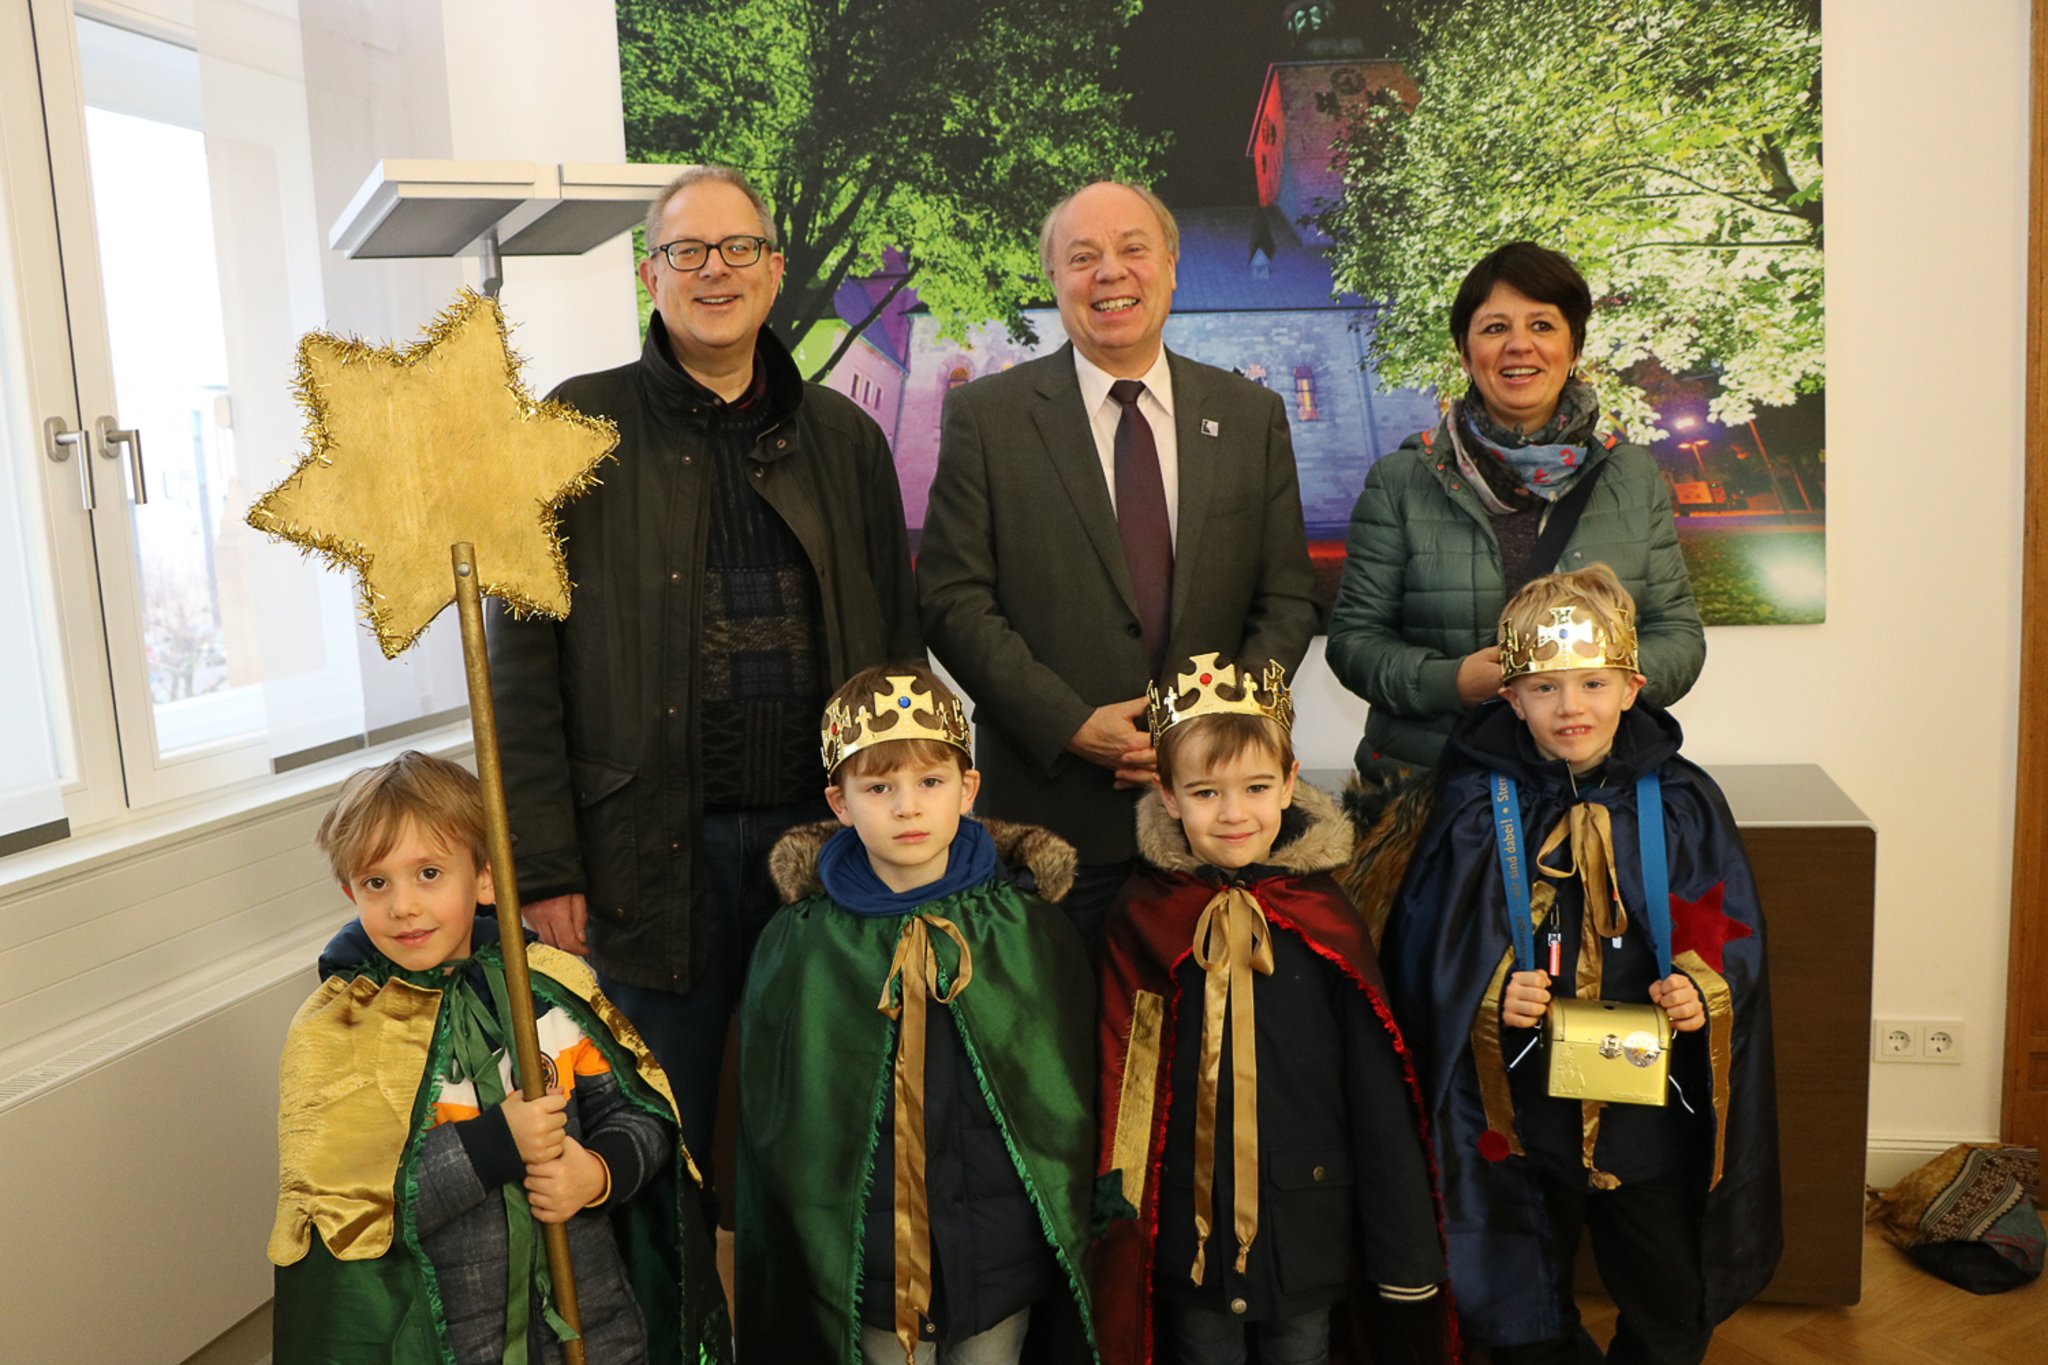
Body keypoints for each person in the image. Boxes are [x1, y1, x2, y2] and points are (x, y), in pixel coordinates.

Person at [485, 165, 923, 1188]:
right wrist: (544, 865)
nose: (713, 271)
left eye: (737, 249)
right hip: (643, 855)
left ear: (773, 270)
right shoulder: (573, 429)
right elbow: (520, 670)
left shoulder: (848, 441)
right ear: (652, 274)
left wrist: (909, 816)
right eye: (687, 251)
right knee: (648, 1136)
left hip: (824, 844)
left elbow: (897, 651)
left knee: (822, 1135)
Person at [1381, 567, 1779, 1363]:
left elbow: (1733, 940)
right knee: (1520, 1308)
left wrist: (1702, 990)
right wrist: (1493, 991)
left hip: (1651, 1113)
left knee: (1673, 1302)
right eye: (1545, 687)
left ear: (1632, 688)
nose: (1572, 707)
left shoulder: (1684, 801)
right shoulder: (1472, 806)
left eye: (1593, 683)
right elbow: (1428, 949)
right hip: (1524, 1116)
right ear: (1511, 697)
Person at [918, 180, 1319, 950]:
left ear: (1171, 266)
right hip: (1049, 829)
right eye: (1082, 257)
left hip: (1215, 823)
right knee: (1054, 1025)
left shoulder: (1249, 416)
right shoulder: (987, 418)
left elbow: (1288, 599)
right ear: (1055, 279)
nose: (1110, 272)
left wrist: (1213, 731)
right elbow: (951, 597)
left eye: (1133, 249)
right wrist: (1069, 723)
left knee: (1209, 1028)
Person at [268, 751, 726, 1364]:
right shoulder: (346, 1029)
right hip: (454, 1341)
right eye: (377, 883)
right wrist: (495, 1145)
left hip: (597, 1320)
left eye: (429, 873)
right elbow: (356, 1214)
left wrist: (596, 1172)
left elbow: (642, 1116)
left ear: (487, 877)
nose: (403, 905)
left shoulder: (550, 993)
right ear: (350, 890)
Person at [1093, 654, 1453, 1365]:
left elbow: (1376, 1093)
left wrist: (1403, 1246)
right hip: (1189, 1230)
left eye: (1256, 787)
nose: (1234, 814)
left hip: (1306, 1220)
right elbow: (1122, 1082)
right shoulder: (1143, 917)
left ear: (1289, 783)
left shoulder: (1324, 916)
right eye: (1206, 792)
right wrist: (1119, 1217)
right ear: (1167, 794)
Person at [735, 665, 1098, 1363]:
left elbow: (1063, 1107)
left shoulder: (1023, 929)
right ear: (840, 802)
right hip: (867, 1267)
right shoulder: (805, 943)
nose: (907, 808)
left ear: (968, 789)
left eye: (930, 782)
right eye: (879, 788)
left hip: (998, 1257)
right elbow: (786, 1130)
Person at [1324, 241, 1705, 780]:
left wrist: (1591, 682)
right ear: (1465, 353)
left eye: (1543, 325)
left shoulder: (1630, 475)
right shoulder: (1401, 480)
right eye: (1495, 328)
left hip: (1592, 786)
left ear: (1574, 348)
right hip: (1436, 784)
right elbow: (1354, 643)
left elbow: (1679, 636)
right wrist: (1454, 682)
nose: (1519, 345)